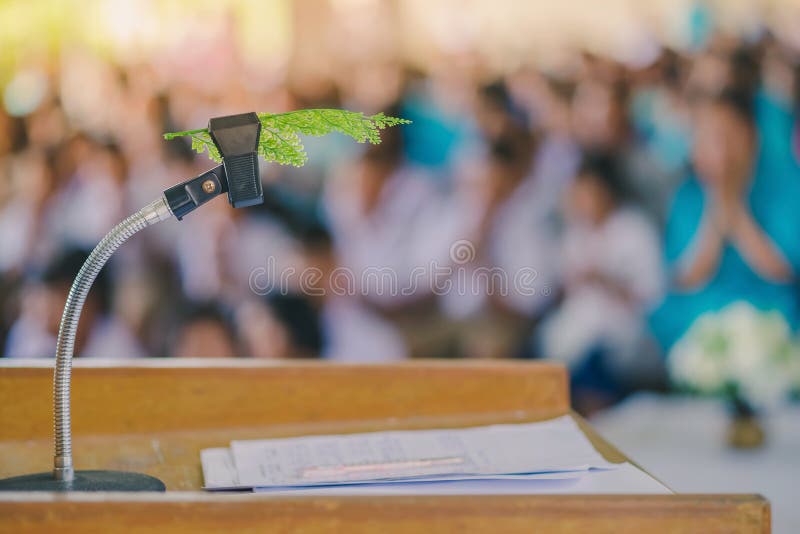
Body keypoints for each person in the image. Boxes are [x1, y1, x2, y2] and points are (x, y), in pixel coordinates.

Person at [650, 88, 800, 351]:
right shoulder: (688, 195)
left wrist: (737, 212)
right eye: (704, 138)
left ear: (751, 135)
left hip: (770, 308)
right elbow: (687, 277)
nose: (718, 148)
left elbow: (783, 272)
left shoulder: (785, 186)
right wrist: (717, 206)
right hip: (705, 311)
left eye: (726, 135)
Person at [538, 152, 663, 401]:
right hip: (576, 327)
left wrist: (605, 280)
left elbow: (652, 295)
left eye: (589, 194)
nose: (583, 202)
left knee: (598, 361)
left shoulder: (635, 229)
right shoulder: (575, 233)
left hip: (623, 330)